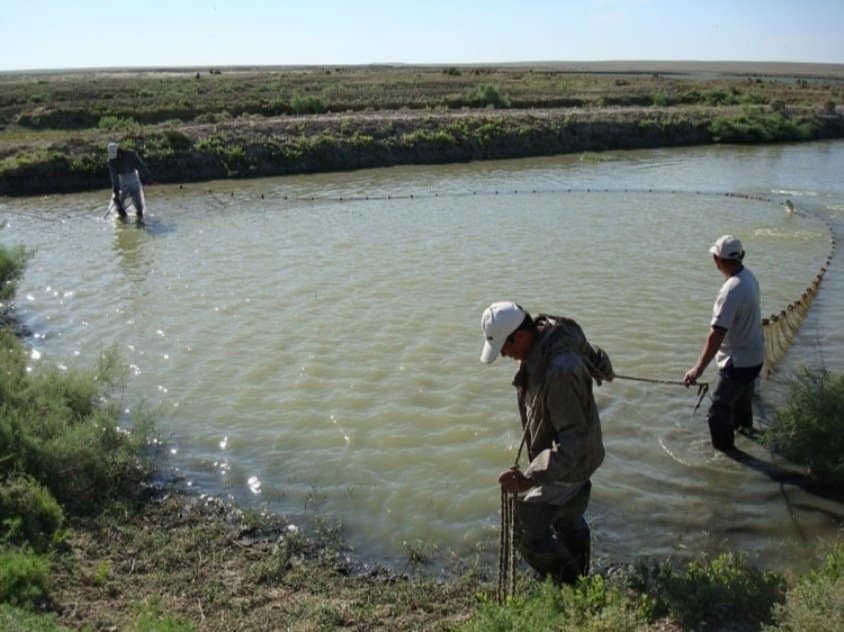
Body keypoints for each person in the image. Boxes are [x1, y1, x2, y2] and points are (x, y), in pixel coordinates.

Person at [480, 301, 614, 584]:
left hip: (572, 463)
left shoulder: (560, 372)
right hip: (576, 459)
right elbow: (588, 352)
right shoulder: (551, 337)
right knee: (568, 518)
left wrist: (528, 479)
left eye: (505, 346)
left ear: (522, 335)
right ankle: (581, 575)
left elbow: (573, 446)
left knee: (524, 530)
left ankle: (570, 584)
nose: (503, 354)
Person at [684, 235, 764, 451]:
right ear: (742, 256)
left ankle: (729, 460)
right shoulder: (749, 277)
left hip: (737, 363)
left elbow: (716, 334)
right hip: (755, 357)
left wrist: (697, 369)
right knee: (741, 404)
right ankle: (748, 436)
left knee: (717, 413)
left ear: (717, 260)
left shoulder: (731, 290)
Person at [107, 142, 153, 219]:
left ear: (119, 150)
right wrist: (116, 191)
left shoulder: (131, 155)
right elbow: (114, 177)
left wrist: (148, 177)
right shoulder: (111, 161)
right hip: (122, 183)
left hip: (134, 181)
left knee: (139, 207)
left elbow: (141, 166)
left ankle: (139, 221)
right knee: (119, 205)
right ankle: (123, 222)